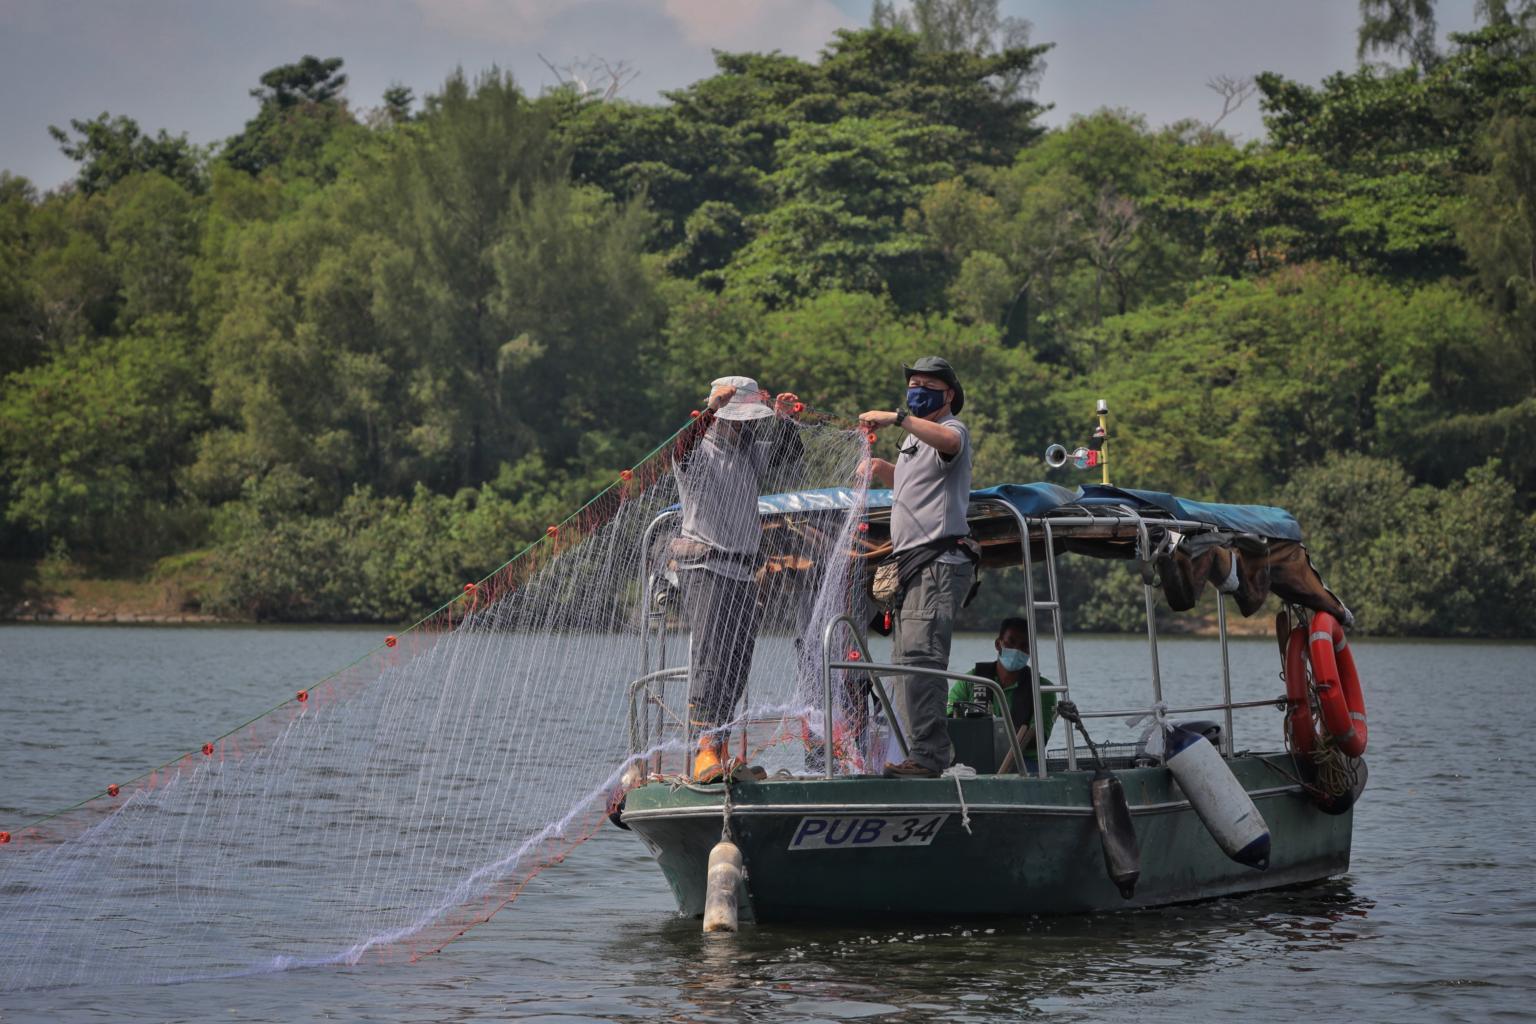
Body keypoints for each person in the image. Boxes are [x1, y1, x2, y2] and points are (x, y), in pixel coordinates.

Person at [673, 376, 802, 782]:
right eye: (738, 418)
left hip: (745, 570)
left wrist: (785, 420)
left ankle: (723, 745)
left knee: (736, 663)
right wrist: (711, 410)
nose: (746, 426)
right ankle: (704, 750)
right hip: (707, 566)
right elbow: (677, 450)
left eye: (750, 419)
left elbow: (787, 452)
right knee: (710, 661)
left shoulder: (748, 451)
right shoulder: (698, 450)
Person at [858, 356, 975, 779]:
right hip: (909, 565)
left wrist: (898, 417)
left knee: (922, 661)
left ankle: (930, 757)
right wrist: (885, 470)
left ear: (948, 395)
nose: (916, 389)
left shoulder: (951, 430)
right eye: (912, 383)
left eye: (926, 384)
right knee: (903, 664)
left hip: (937, 562)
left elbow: (950, 445)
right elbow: (915, 486)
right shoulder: (913, 444)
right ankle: (917, 753)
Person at [947, 618, 1057, 770]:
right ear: (998, 644)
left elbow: (1039, 737)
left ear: (1030, 650)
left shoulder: (1043, 689)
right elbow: (950, 720)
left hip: (1022, 762)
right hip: (973, 757)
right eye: (1011, 642)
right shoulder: (969, 680)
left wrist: (993, 736)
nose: (1017, 649)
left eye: (1024, 646)